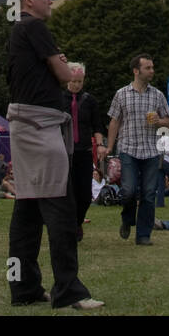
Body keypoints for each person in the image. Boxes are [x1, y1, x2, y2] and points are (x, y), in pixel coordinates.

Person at [5, 0, 101, 309]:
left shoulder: (21, 30)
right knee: (61, 208)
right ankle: (68, 289)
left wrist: (59, 62)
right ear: (29, 0)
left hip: (29, 124)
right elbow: (66, 74)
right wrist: (63, 62)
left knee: (28, 210)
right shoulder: (33, 27)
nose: (52, 1)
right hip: (38, 125)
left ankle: (23, 287)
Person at [105, 54, 169, 246]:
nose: (152, 71)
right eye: (148, 68)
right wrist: (110, 147)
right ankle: (127, 219)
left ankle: (143, 235)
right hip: (128, 148)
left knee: (149, 194)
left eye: (152, 67)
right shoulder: (122, 94)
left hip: (151, 150)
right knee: (128, 191)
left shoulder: (157, 95)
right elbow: (114, 121)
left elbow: (168, 119)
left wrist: (160, 121)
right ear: (136, 71)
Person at [66, 61, 102, 236]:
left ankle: (78, 220)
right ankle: (69, 226)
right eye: (74, 81)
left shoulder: (90, 100)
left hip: (84, 152)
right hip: (63, 152)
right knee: (67, 191)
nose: (77, 85)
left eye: (80, 81)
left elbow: (97, 126)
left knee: (85, 193)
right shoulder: (58, 99)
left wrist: (101, 145)